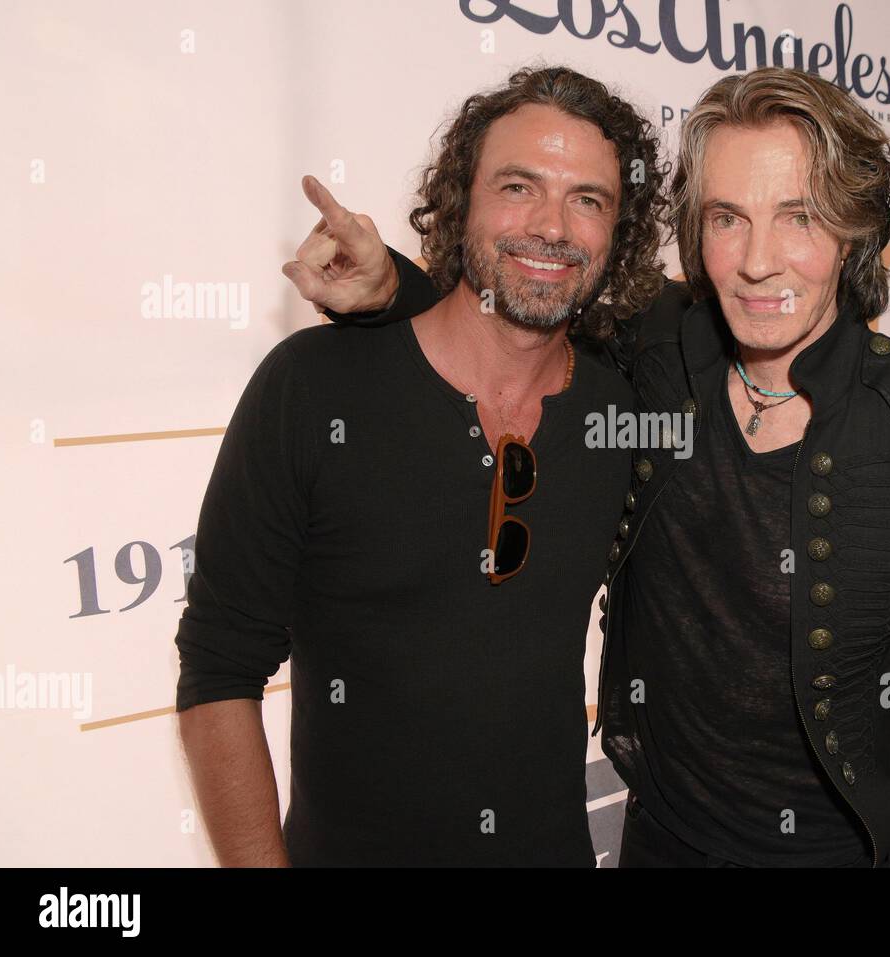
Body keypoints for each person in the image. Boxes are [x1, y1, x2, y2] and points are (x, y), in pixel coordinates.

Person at [314, 67, 890, 868]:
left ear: (854, 230)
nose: (757, 262)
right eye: (727, 218)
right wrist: (396, 285)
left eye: (799, 217)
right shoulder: (655, 345)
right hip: (656, 840)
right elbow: (522, 310)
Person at [173, 66, 668, 866]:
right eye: (518, 186)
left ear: (617, 233)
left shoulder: (623, 414)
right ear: (461, 200)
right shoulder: (310, 387)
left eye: (588, 199)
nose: (552, 226)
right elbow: (219, 670)